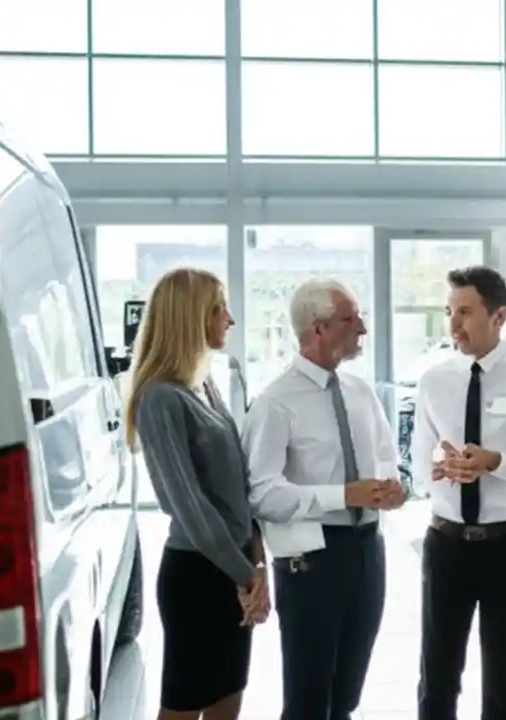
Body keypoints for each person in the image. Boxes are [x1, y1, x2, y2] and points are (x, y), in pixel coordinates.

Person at [241, 278, 406, 720]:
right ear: (319, 328)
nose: (363, 331)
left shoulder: (361, 393)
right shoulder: (276, 403)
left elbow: (388, 457)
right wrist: (342, 495)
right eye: (351, 321)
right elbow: (262, 494)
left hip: (368, 551)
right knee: (309, 698)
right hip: (312, 560)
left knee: (347, 693)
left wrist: (393, 486)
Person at [411, 266, 506, 720]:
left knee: (503, 684)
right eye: (448, 312)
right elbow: (421, 462)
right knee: (437, 680)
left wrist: (495, 462)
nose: (453, 324)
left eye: (464, 311)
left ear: (499, 316)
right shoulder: (433, 381)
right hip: (446, 546)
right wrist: (438, 471)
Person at [124, 268, 271, 720]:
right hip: (198, 577)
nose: (229, 319)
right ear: (191, 318)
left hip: (235, 570)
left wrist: (258, 563)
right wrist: (246, 574)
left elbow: (239, 492)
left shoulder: (204, 387)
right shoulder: (161, 398)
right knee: (184, 707)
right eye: (219, 308)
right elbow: (190, 507)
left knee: (228, 700)